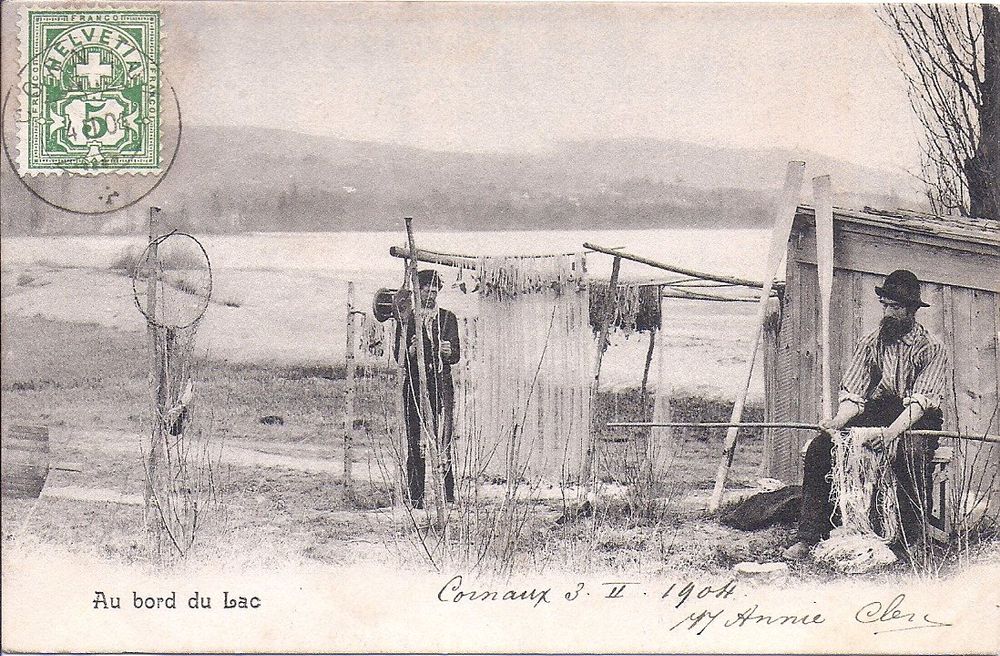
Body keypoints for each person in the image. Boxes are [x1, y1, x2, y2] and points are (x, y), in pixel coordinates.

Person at [783, 269, 948, 561]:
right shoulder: (871, 343)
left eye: (895, 307)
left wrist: (889, 434)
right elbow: (855, 396)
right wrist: (837, 422)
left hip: (917, 417)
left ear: (911, 311)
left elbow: (920, 404)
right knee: (821, 448)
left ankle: (911, 542)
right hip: (880, 410)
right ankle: (809, 536)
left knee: (910, 455)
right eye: (884, 305)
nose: (888, 312)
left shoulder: (932, 348)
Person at [393, 269, 461, 507]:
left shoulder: (447, 318)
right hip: (414, 386)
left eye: (434, 290)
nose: (431, 294)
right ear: (418, 291)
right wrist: (411, 351)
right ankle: (416, 497)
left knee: (444, 438)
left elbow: (456, 355)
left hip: (441, 386)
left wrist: (448, 352)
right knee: (416, 441)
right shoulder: (407, 319)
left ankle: (448, 496)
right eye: (426, 290)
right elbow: (398, 356)